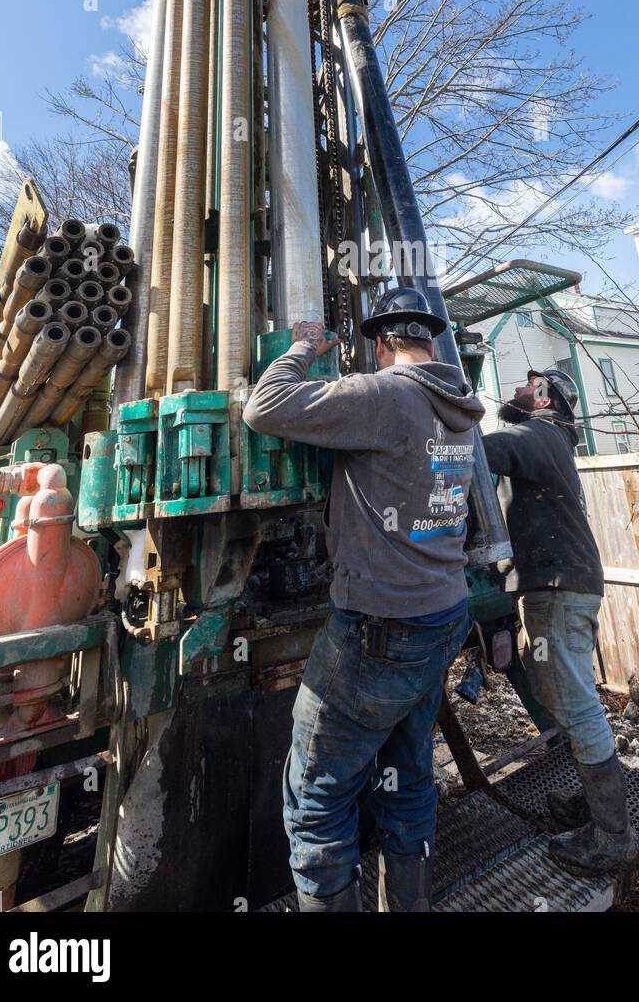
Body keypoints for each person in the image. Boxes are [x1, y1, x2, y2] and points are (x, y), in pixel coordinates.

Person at [243, 288, 483, 912]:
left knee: (317, 796)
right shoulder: (458, 409)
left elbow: (265, 408)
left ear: (381, 346)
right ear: (430, 343)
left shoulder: (385, 395)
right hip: (441, 615)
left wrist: (302, 348)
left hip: (380, 630)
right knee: (408, 776)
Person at [481, 370, 638, 876]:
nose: (518, 390)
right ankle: (592, 805)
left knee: (575, 703)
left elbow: (478, 451)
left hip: (558, 588)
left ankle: (613, 837)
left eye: (529, 385)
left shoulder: (539, 433)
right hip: (557, 585)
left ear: (546, 399)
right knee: (555, 689)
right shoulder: (551, 443)